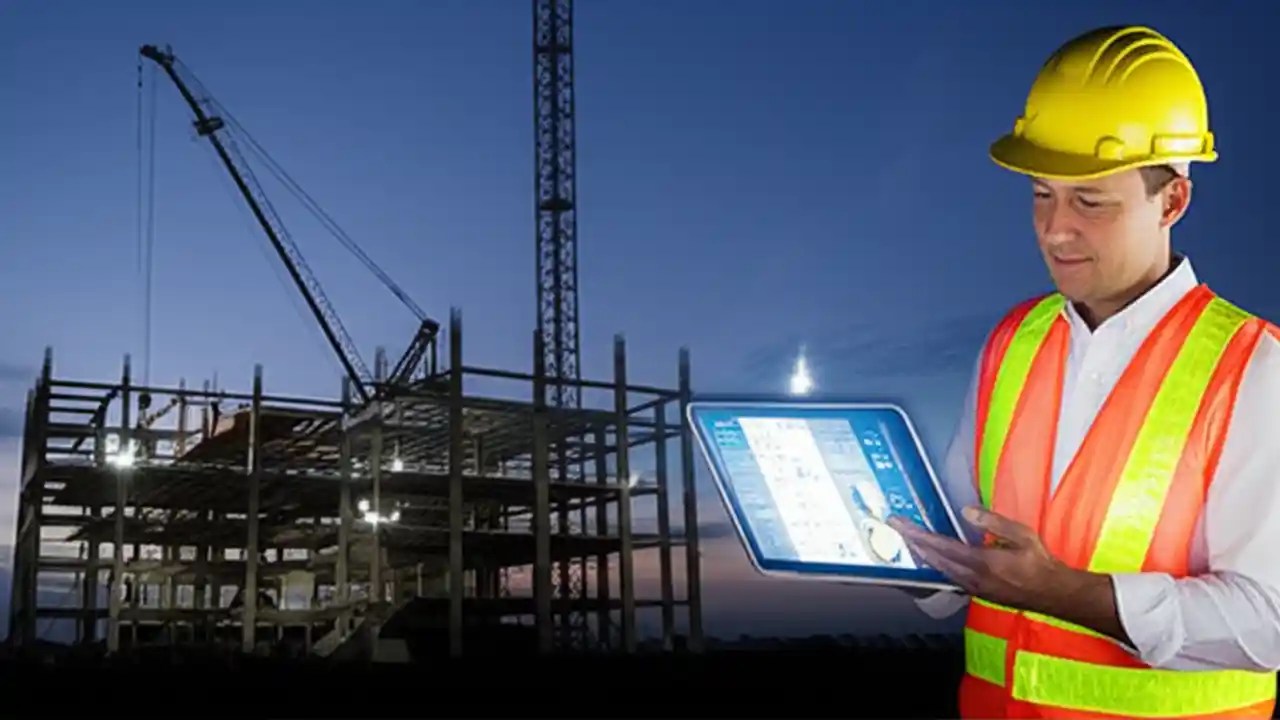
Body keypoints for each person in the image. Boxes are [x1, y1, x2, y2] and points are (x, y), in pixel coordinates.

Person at [886, 24, 1280, 719]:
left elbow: (1269, 620)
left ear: (1173, 201)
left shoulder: (1255, 369)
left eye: (1090, 201)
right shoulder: (1012, 343)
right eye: (1042, 194)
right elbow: (956, 563)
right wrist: (884, 547)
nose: (1055, 228)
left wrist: (1066, 592)